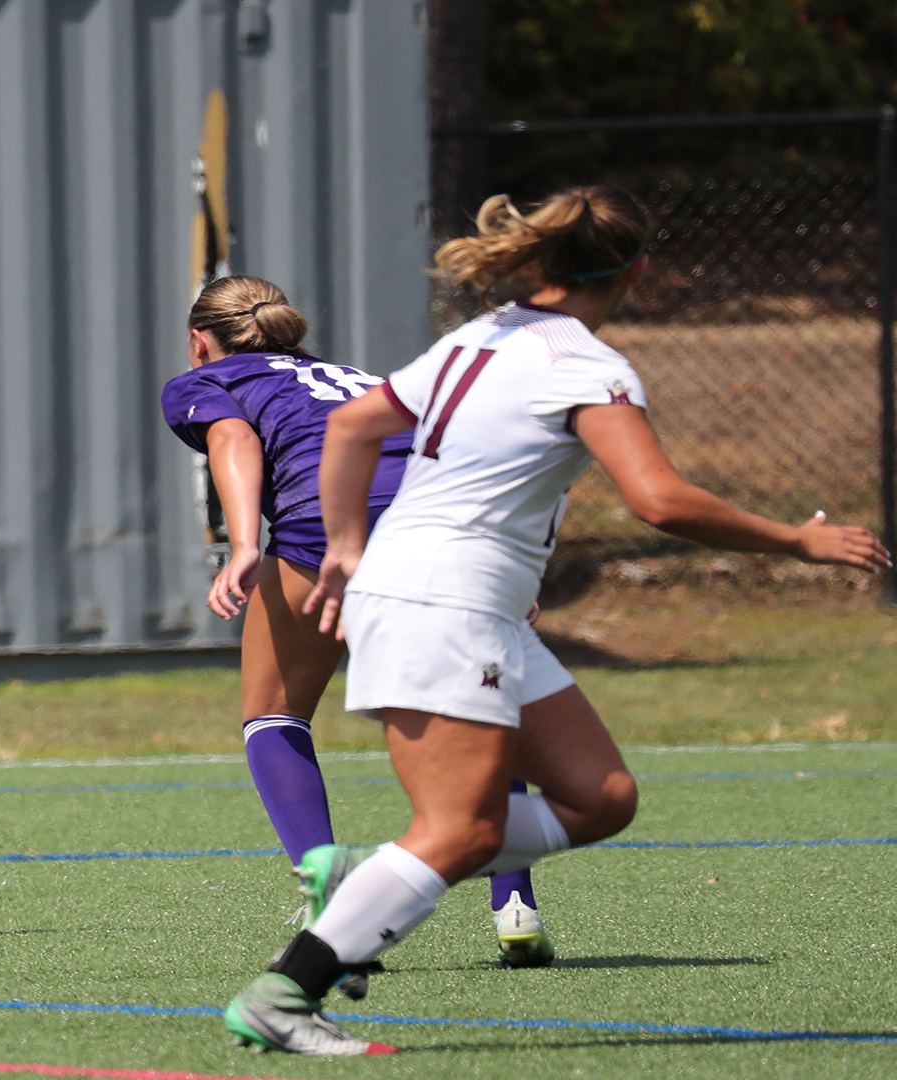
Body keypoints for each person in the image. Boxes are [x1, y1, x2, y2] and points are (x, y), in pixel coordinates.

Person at [223, 185, 889, 1056]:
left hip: (467, 600)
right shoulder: (585, 366)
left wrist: (348, 544)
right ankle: (285, 995)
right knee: (462, 830)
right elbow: (658, 501)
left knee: (600, 797)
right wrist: (797, 542)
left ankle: (373, 870)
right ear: (638, 271)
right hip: (444, 599)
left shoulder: (479, 337)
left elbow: (354, 424)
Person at [162, 275, 551, 972]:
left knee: (274, 715)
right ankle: (514, 905)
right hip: (442, 527)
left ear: (200, 341)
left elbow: (230, 435)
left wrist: (245, 544)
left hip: (327, 528)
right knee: (476, 715)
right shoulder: (354, 377)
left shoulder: (214, 377)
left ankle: (331, 891)